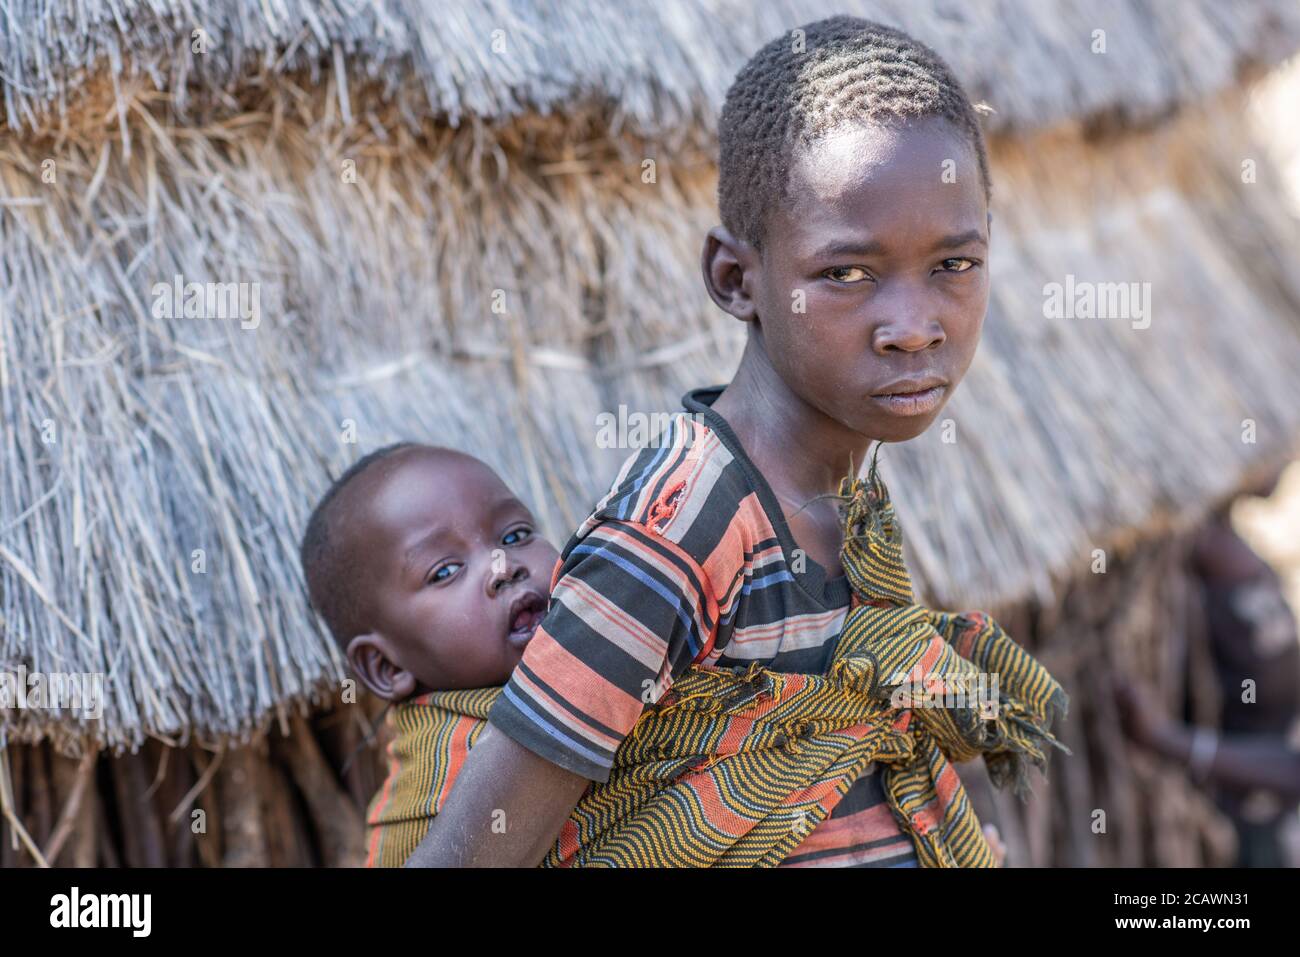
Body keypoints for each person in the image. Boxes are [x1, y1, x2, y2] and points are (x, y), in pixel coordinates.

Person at [407, 16, 1034, 868]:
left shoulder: (849, 499)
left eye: (954, 265)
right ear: (736, 280)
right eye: (846, 273)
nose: (914, 326)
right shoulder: (682, 526)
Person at [297, 443, 558, 865]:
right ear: (385, 666)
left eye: (515, 536)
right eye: (445, 571)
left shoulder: (623, 645)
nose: (503, 566)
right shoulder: (432, 805)